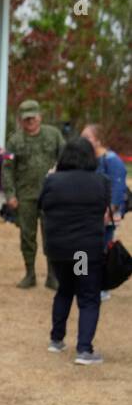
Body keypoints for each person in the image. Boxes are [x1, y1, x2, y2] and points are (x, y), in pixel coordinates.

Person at [40, 137, 110, 364]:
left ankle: (56, 339)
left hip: (58, 250)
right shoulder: (100, 182)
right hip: (83, 251)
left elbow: (42, 204)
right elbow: (104, 209)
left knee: (64, 290)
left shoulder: (52, 181)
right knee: (88, 297)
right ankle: (84, 349)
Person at [4, 99, 63, 289]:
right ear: (21, 120)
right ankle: (30, 274)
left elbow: (67, 159)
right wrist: (10, 194)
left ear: (40, 117)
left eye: (33, 117)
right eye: (26, 119)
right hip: (25, 196)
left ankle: (52, 276)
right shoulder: (14, 140)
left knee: (52, 235)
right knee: (27, 236)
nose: (30, 121)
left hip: (51, 196)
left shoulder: (54, 135)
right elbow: (7, 169)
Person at [83, 123, 126, 301]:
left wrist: (109, 213)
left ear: (98, 140)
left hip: (105, 217)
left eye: (87, 138)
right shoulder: (87, 159)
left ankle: (101, 287)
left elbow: (117, 190)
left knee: (101, 250)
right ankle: (84, 284)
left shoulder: (112, 160)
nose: (83, 141)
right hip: (88, 216)